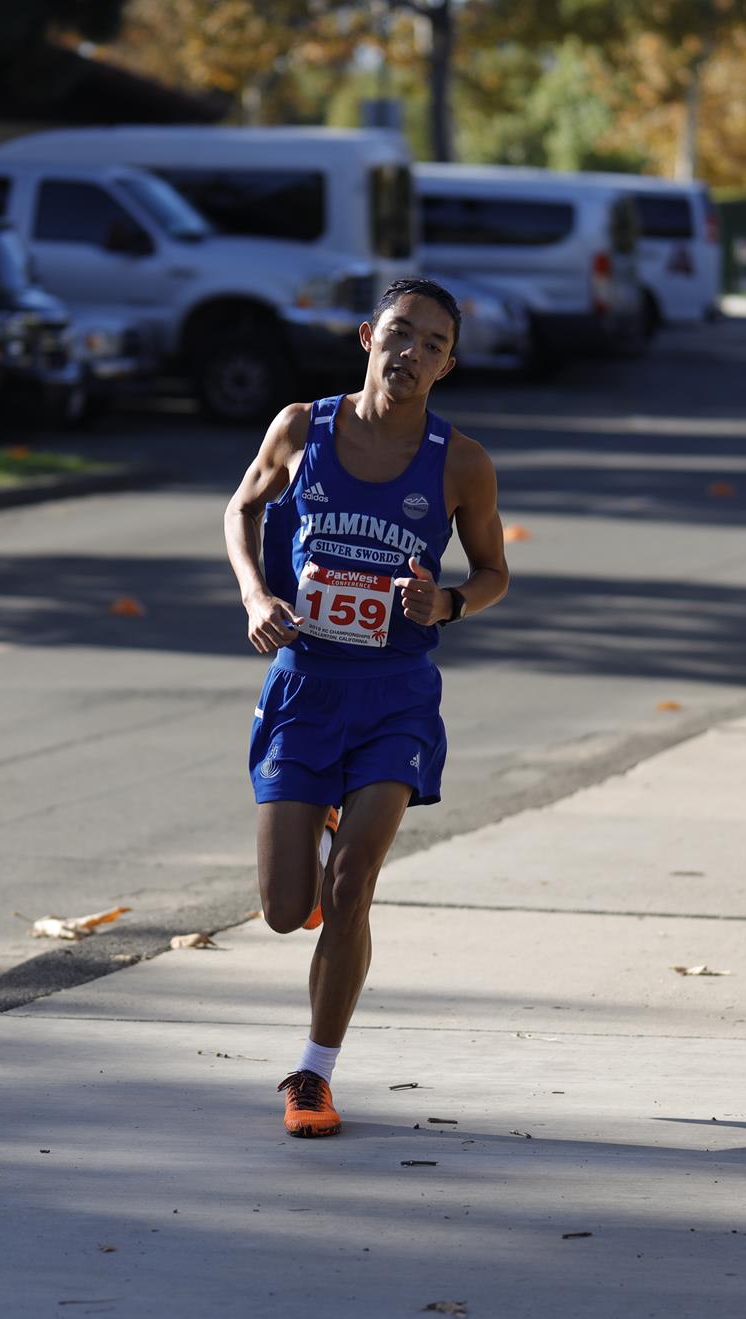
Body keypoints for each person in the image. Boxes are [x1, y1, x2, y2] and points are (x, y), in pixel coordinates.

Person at [222, 277, 510, 1138]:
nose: (411, 352)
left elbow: (494, 572)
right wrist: (253, 595)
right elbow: (243, 507)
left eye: (431, 344)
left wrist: (450, 603)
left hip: (395, 697)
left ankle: (312, 1076)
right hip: (305, 686)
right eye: (399, 333)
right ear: (366, 336)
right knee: (284, 907)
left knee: (355, 884)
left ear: (448, 364)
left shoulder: (460, 461)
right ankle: (307, 851)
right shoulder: (300, 428)